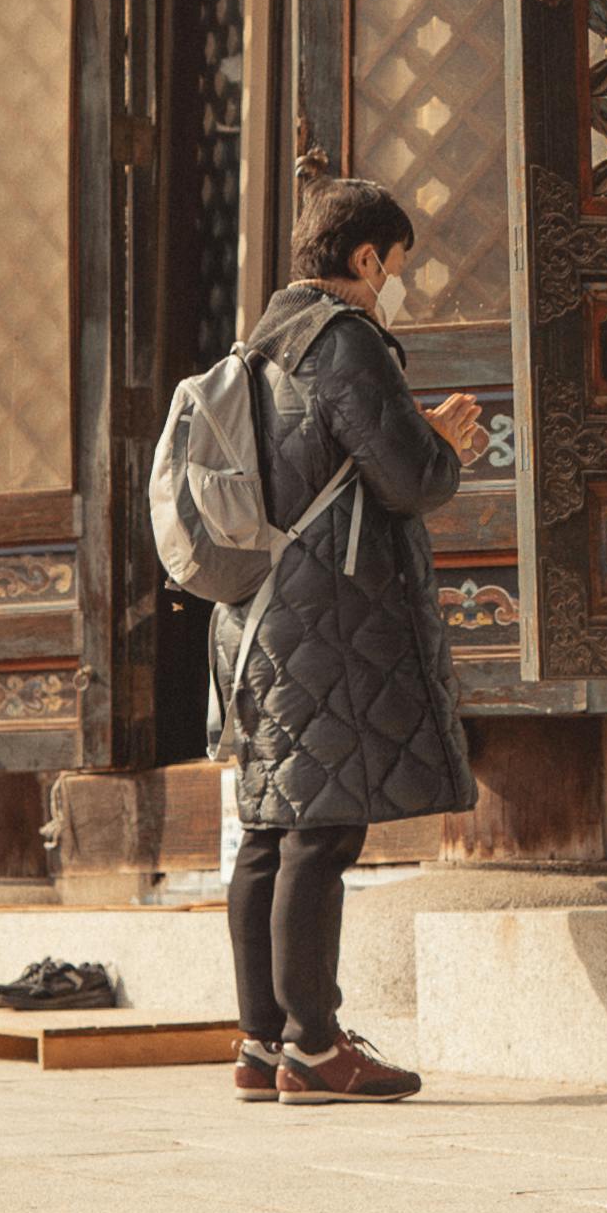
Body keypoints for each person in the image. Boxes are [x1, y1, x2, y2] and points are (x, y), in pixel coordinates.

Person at [218, 176, 484, 1105]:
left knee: (267, 827)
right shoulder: (342, 339)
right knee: (322, 832)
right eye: (392, 269)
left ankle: (261, 1042)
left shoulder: (256, 348)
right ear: (364, 257)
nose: (391, 288)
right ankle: (317, 1047)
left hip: (254, 617)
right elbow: (406, 476)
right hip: (328, 614)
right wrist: (444, 441)